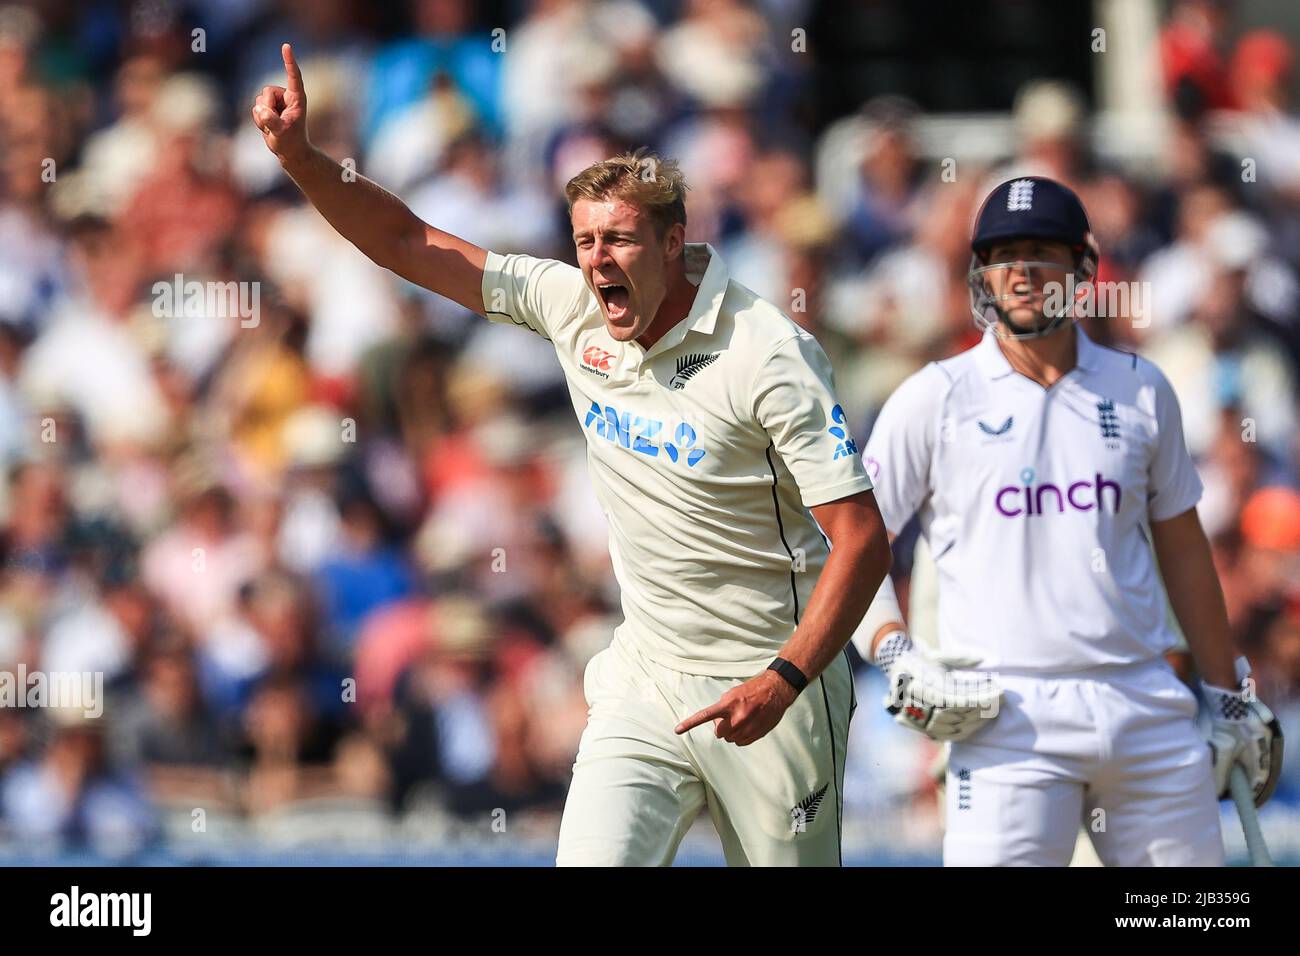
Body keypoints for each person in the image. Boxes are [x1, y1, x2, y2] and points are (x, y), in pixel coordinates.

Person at [251, 44, 892, 866]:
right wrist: (303, 161)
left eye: (620, 240)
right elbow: (407, 241)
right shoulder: (572, 307)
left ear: (674, 240)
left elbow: (863, 538)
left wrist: (788, 678)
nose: (597, 261)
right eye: (585, 240)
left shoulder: (768, 354)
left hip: (773, 682)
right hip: (646, 678)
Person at [851, 175, 1282, 866]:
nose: (1021, 270)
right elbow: (850, 546)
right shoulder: (933, 398)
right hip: (1004, 715)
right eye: (1001, 253)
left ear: (1084, 267)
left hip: (1145, 700)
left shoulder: (1142, 388)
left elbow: (1183, 548)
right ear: (979, 273)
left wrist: (1227, 692)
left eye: (1040, 250)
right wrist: (895, 651)